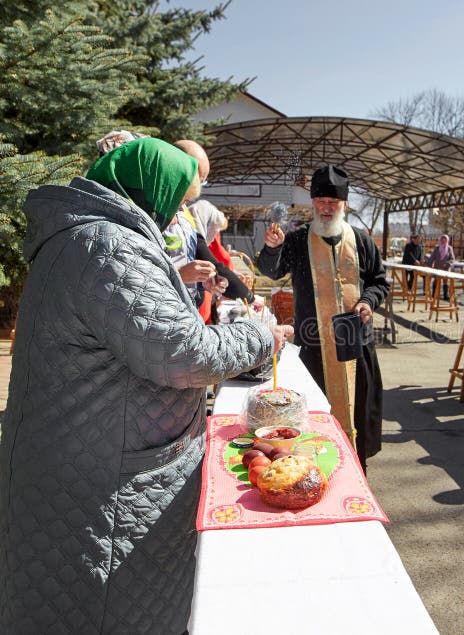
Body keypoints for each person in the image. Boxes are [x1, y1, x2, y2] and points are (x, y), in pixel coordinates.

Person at [0, 137, 290, 633]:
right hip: (103, 479)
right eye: (178, 202)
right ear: (149, 191)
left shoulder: (95, 236)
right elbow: (183, 354)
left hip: (90, 455)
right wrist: (257, 336)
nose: (180, 217)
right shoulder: (107, 244)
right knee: (105, 611)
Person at [257, 164, 390, 471]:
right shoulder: (297, 240)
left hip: (356, 349)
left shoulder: (362, 241)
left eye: (334, 203)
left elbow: (379, 282)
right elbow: (272, 271)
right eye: (321, 202)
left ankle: (357, 478)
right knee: (315, 428)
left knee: (356, 423)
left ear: (344, 205)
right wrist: (271, 248)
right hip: (314, 349)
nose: (327, 208)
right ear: (313, 203)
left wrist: (369, 302)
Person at [426, 234, 455, 299]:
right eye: (442, 240)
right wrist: (428, 266)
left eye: (445, 240)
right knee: (436, 280)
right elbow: (432, 258)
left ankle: (445, 295)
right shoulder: (437, 248)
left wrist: (447, 263)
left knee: (445, 281)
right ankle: (434, 294)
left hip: (445, 268)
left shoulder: (449, 248)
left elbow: (452, 259)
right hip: (437, 267)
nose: (443, 241)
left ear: (447, 240)